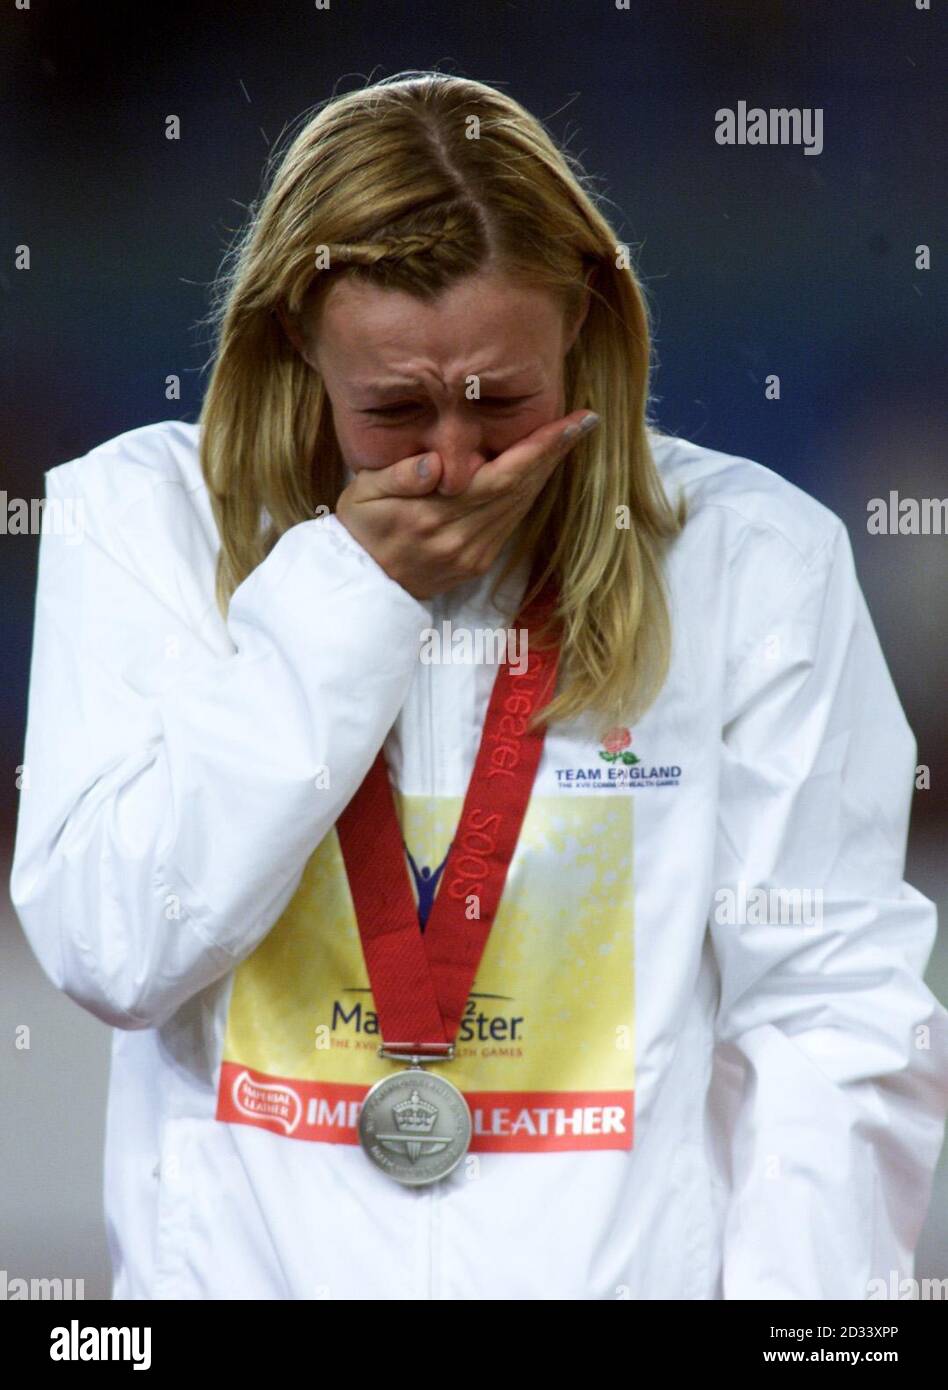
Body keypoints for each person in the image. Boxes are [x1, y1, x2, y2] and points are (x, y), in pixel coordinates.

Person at [10, 70, 948, 1301]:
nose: (452, 463)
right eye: (392, 409)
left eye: (501, 401)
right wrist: (351, 596)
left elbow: (829, 1016)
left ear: (586, 329)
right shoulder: (145, 525)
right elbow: (111, 947)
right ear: (297, 339)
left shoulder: (753, 560)